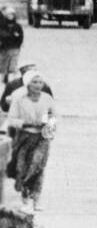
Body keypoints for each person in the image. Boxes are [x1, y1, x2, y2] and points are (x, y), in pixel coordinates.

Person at [6, 70, 55, 212]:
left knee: (37, 166)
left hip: (42, 138)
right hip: (24, 138)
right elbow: (12, 119)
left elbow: (53, 116)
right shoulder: (19, 99)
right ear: (28, 83)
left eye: (40, 82)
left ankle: (36, 198)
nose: (37, 85)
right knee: (23, 167)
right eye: (34, 82)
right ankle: (26, 198)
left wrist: (47, 128)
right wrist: (25, 124)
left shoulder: (47, 99)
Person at [0, 7, 23, 80]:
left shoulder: (17, 26)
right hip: (4, 48)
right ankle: (5, 76)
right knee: (4, 63)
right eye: (8, 15)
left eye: (12, 15)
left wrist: (18, 45)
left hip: (14, 48)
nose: (10, 16)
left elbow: (20, 36)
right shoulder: (2, 25)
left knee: (13, 64)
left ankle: (12, 79)